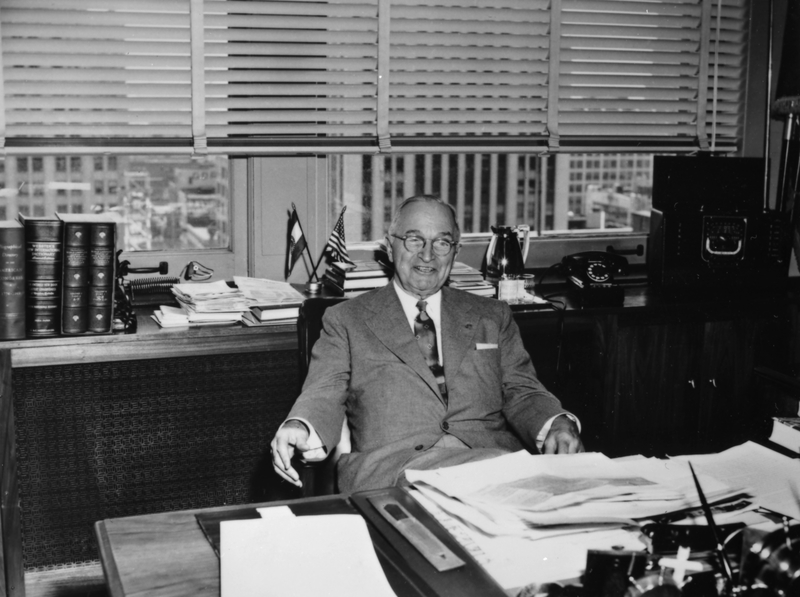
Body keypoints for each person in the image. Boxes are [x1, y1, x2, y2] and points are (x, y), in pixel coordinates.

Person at [271, 195, 583, 493]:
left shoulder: (492, 314)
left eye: (442, 243)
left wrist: (557, 424)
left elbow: (522, 391)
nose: (427, 255)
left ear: (455, 252)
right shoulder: (346, 320)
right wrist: (300, 425)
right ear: (391, 248)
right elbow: (323, 392)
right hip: (398, 474)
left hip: (493, 467)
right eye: (414, 239)